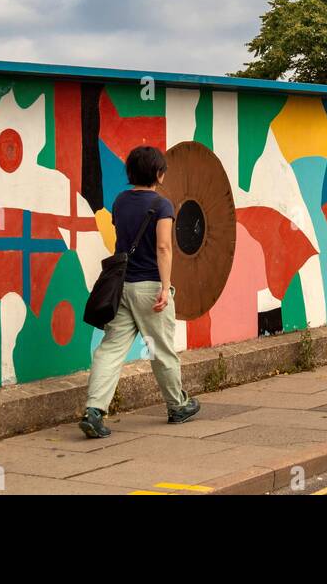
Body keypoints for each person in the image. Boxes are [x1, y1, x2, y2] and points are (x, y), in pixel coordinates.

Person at [79, 145, 200, 438]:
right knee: (160, 349)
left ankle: (94, 411)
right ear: (158, 174)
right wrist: (164, 287)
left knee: (110, 349)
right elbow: (163, 247)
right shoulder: (162, 206)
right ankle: (177, 405)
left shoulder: (120, 202)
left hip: (121, 289)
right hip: (149, 290)